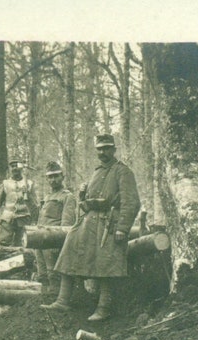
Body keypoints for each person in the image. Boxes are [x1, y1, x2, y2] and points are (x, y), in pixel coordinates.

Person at [43, 133, 141, 321]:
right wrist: (82, 195)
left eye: (106, 148)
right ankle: (63, 300)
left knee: (105, 263)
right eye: (99, 149)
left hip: (109, 225)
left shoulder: (123, 171)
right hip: (89, 222)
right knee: (69, 249)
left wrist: (122, 228)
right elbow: (89, 200)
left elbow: (131, 202)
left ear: (113, 149)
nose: (102, 152)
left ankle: (104, 308)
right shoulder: (97, 171)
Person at [35, 161, 78, 295]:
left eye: (56, 176)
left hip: (53, 241)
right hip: (41, 241)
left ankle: (56, 302)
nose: (53, 180)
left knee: (53, 274)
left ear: (62, 177)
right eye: (50, 177)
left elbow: (67, 223)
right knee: (42, 275)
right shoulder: (48, 197)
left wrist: (58, 242)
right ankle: (44, 301)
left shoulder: (67, 197)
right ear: (47, 179)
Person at [0, 159, 39, 247]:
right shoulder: (5, 183)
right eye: (12, 167)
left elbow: (34, 204)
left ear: (21, 168)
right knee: (4, 242)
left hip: (24, 217)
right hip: (8, 218)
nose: (14, 169)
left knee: (22, 243)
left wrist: (35, 219)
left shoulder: (29, 183)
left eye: (16, 166)